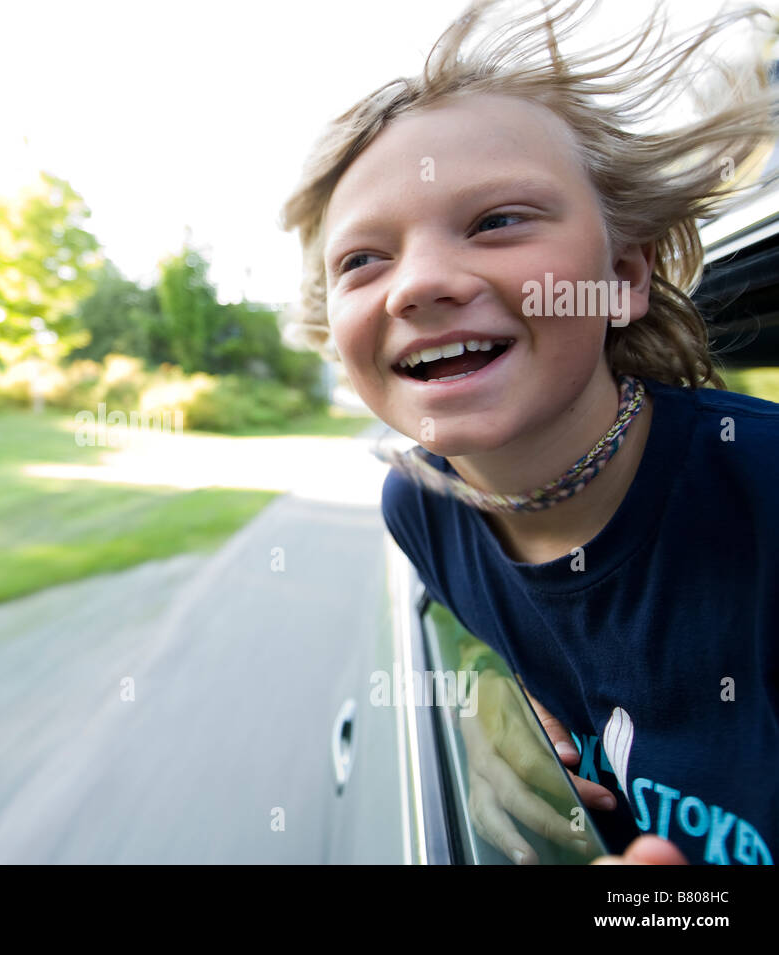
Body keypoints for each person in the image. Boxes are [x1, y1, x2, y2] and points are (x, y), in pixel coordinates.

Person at [279, 0, 779, 865]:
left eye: (498, 221)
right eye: (364, 260)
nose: (418, 285)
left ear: (623, 276)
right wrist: (486, 705)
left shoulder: (761, 483)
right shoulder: (422, 506)